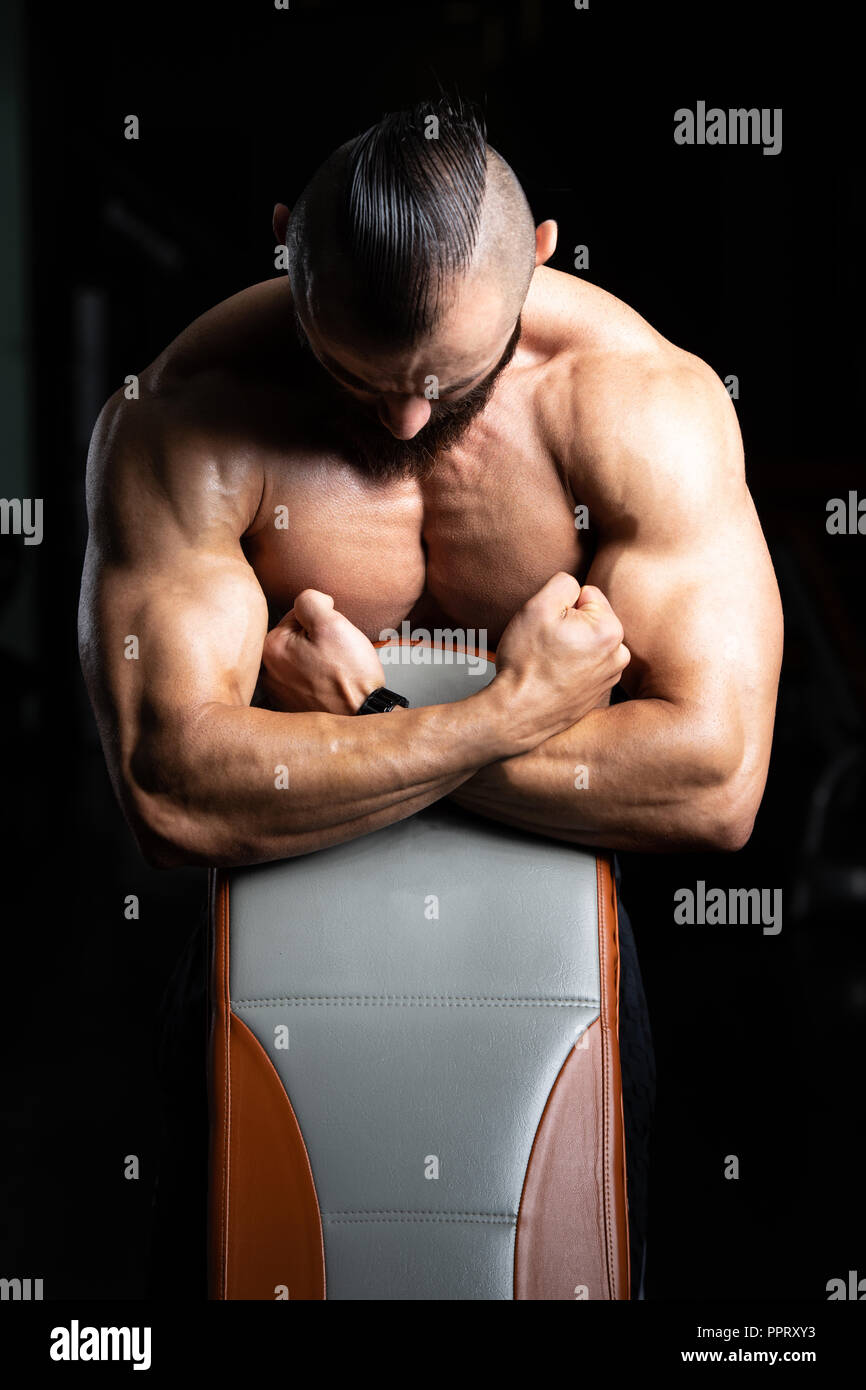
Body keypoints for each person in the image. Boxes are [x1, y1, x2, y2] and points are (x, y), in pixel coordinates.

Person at [78, 95, 783, 1299]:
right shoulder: (184, 416)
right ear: (288, 245)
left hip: (562, 963)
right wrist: (507, 710)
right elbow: (171, 795)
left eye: (446, 381)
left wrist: (333, 731)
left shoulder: (641, 406)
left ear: (542, 258)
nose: (403, 420)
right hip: (261, 965)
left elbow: (716, 784)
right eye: (354, 375)